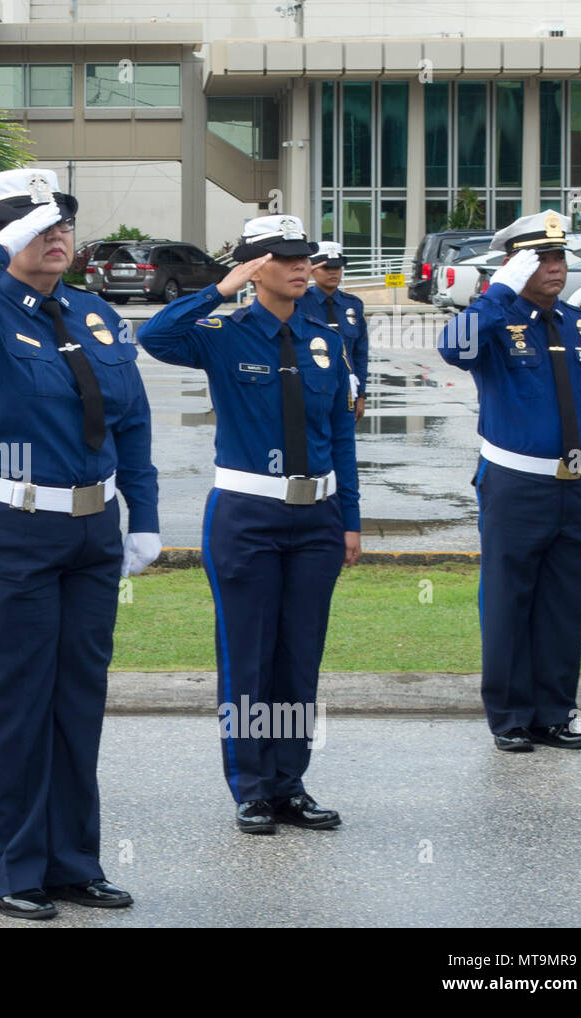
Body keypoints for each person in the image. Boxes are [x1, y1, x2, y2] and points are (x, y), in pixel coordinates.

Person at [0, 168, 160, 920]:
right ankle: (9, 869)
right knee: (6, 704)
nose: (54, 233)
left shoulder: (92, 313)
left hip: (89, 530)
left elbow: (131, 423)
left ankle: (70, 861)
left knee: (75, 701)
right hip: (2, 528)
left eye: (61, 221)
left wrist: (141, 516)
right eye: (30, 222)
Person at [139, 215, 360, 836]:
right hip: (247, 515)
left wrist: (350, 518)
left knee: (299, 658)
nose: (301, 266)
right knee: (248, 656)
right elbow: (154, 336)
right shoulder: (223, 332)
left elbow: (340, 433)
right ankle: (252, 787)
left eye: (304, 257)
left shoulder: (326, 335)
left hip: (317, 516)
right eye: (285, 257)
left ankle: (290, 783)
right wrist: (219, 287)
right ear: (255, 267)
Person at [438, 211, 581, 752]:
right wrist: (498, 294)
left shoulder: (579, 323)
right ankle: (511, 716)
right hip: (515, 483)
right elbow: (454, 348)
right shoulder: (492, 321)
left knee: (564, 603)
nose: (556, 268)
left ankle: (555, 713)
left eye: (560, 258)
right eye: (541, 259)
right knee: (508, 600)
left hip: (573, 487)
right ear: (516, 264)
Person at [298, 241, 369, 421]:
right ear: (312, 269)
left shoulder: (352, 305)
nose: (333, 272)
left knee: (342, 445)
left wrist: (361, 395)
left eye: (337, 267)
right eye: (327, 267)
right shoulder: (299, 302)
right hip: (310, 389)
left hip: (346, 390)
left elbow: (360, 354)